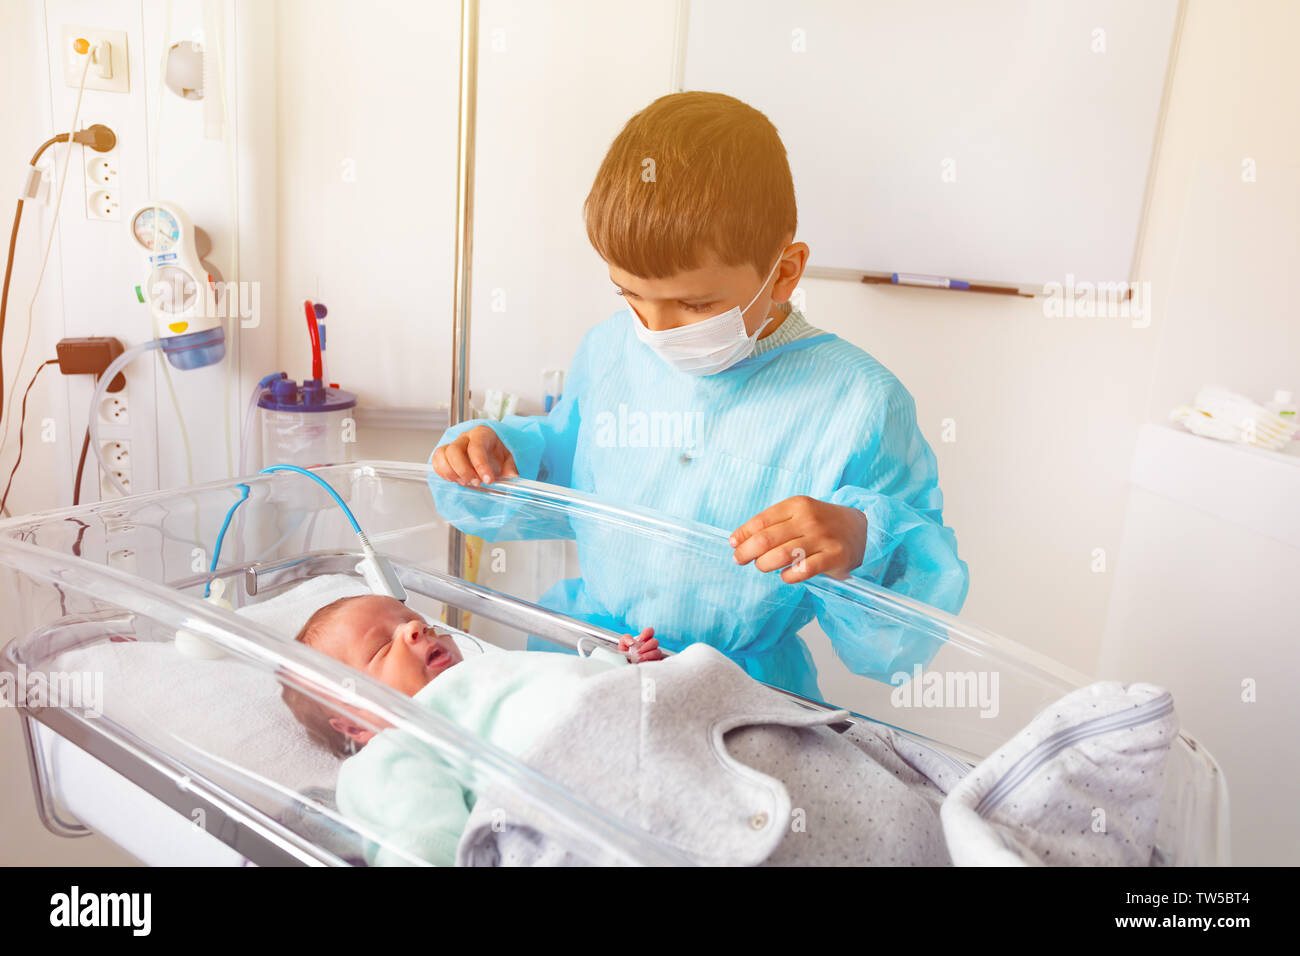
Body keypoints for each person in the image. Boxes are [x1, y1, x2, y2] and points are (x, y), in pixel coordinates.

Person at [430, 91, 968, 699]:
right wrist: (496, 452)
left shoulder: (858, 402)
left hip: (732, 697)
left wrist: (861, 541)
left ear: (784, 271)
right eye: (629, 296)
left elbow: (902, 636)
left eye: (696, 304)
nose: (655, 332)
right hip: (586, 663)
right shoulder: (610, 351)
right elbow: (562, 460)